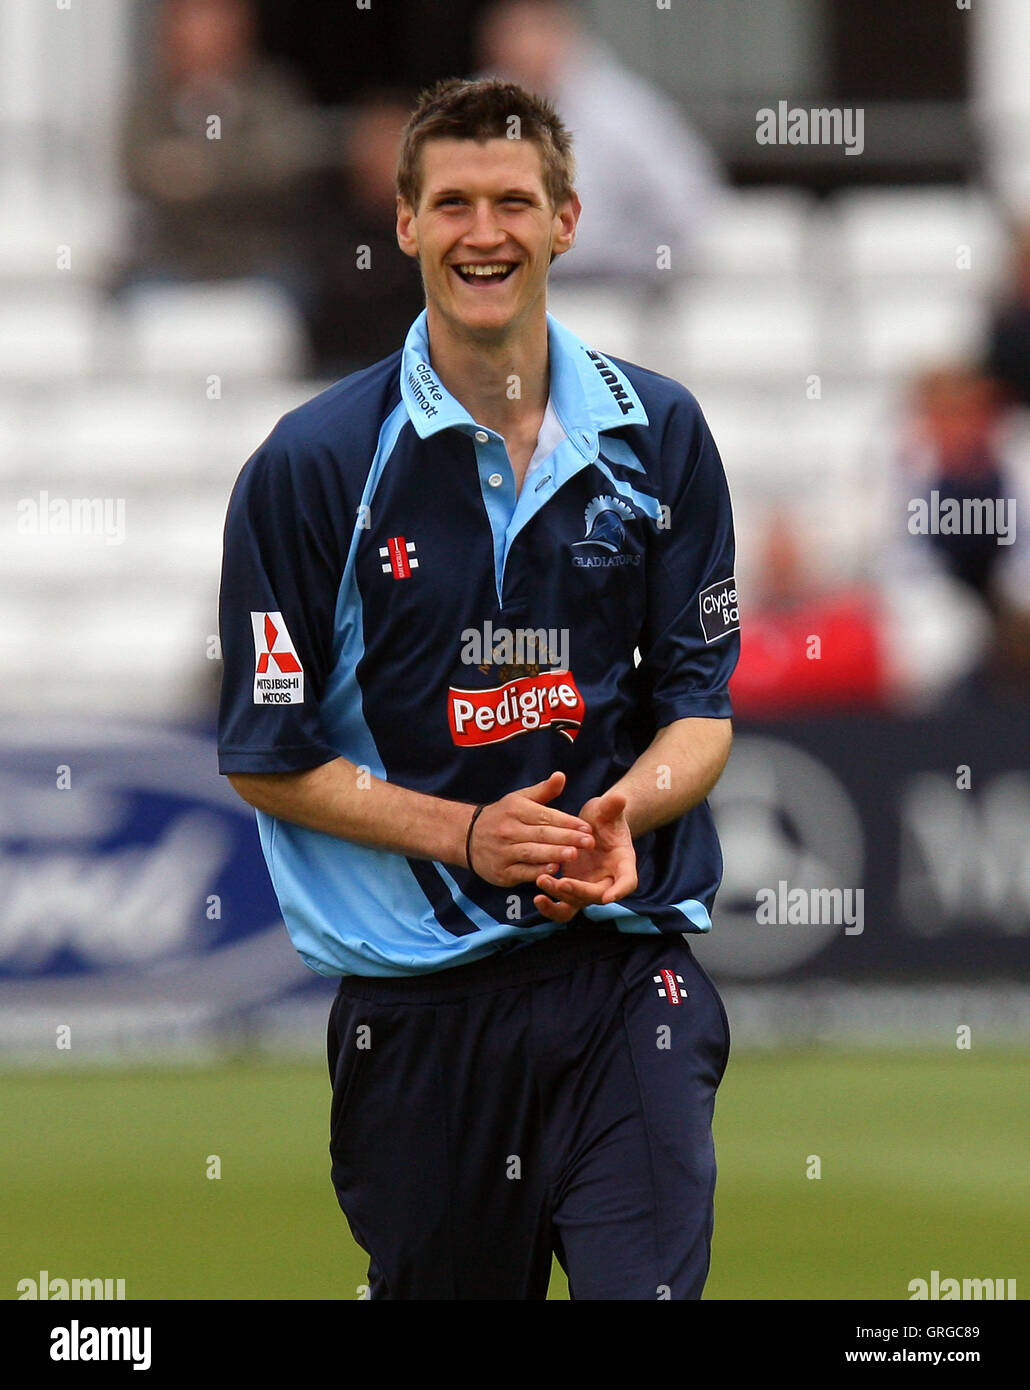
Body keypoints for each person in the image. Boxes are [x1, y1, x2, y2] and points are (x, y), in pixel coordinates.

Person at [217, 77, 739, 1301]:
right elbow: (263, 752)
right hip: (417, 1015)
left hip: (625, 977)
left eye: (514, 200)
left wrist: (629, 813)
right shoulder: (310, 465)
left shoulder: (661, 434)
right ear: (404, 223)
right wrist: (467, 835)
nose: (483, 231)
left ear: (567, 218)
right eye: (451, 202)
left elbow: (698, 714)